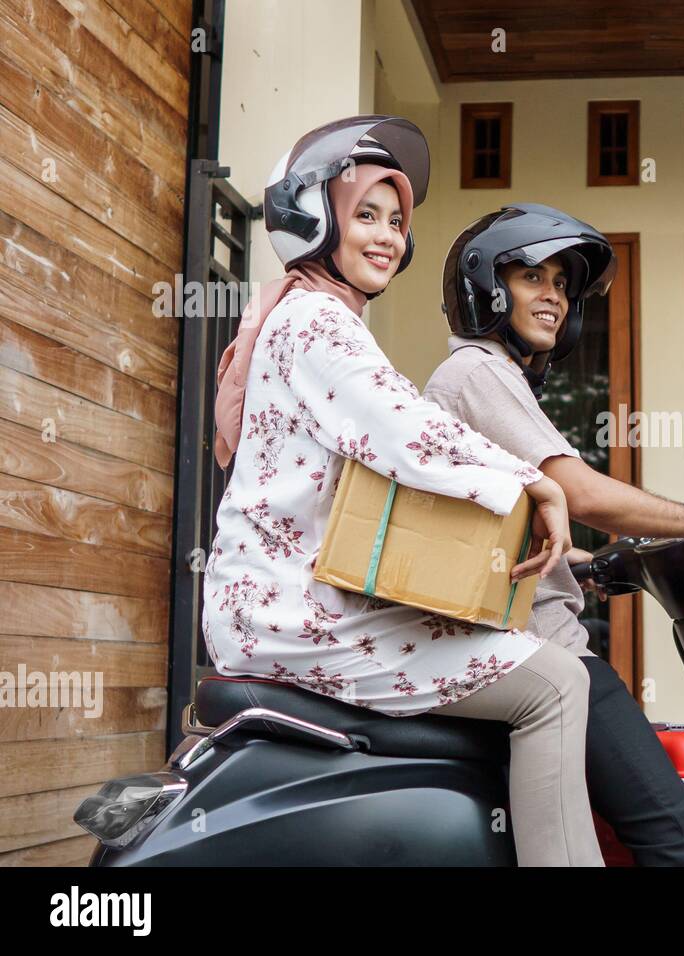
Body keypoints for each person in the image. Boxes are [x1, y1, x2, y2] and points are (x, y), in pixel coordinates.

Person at [201, 120, 603, 866]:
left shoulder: (303, 315)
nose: (387, 236)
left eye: (396, 221)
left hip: (279, 606)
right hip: (293, 616)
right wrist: (533, 480)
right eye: (365, 216)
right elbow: (402, 429)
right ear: (316, 220)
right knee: (552, 682)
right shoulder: (319, 322)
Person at [423, 203, 684, 866]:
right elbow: (582, 492)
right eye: (534, 277)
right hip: (544, 652)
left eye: (563, 285)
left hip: (514, 639)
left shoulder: (487, 380)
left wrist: (584, 567)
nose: (554, 297)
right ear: (490, 286)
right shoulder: (479, 372)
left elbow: (509, 511)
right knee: (680, 837)